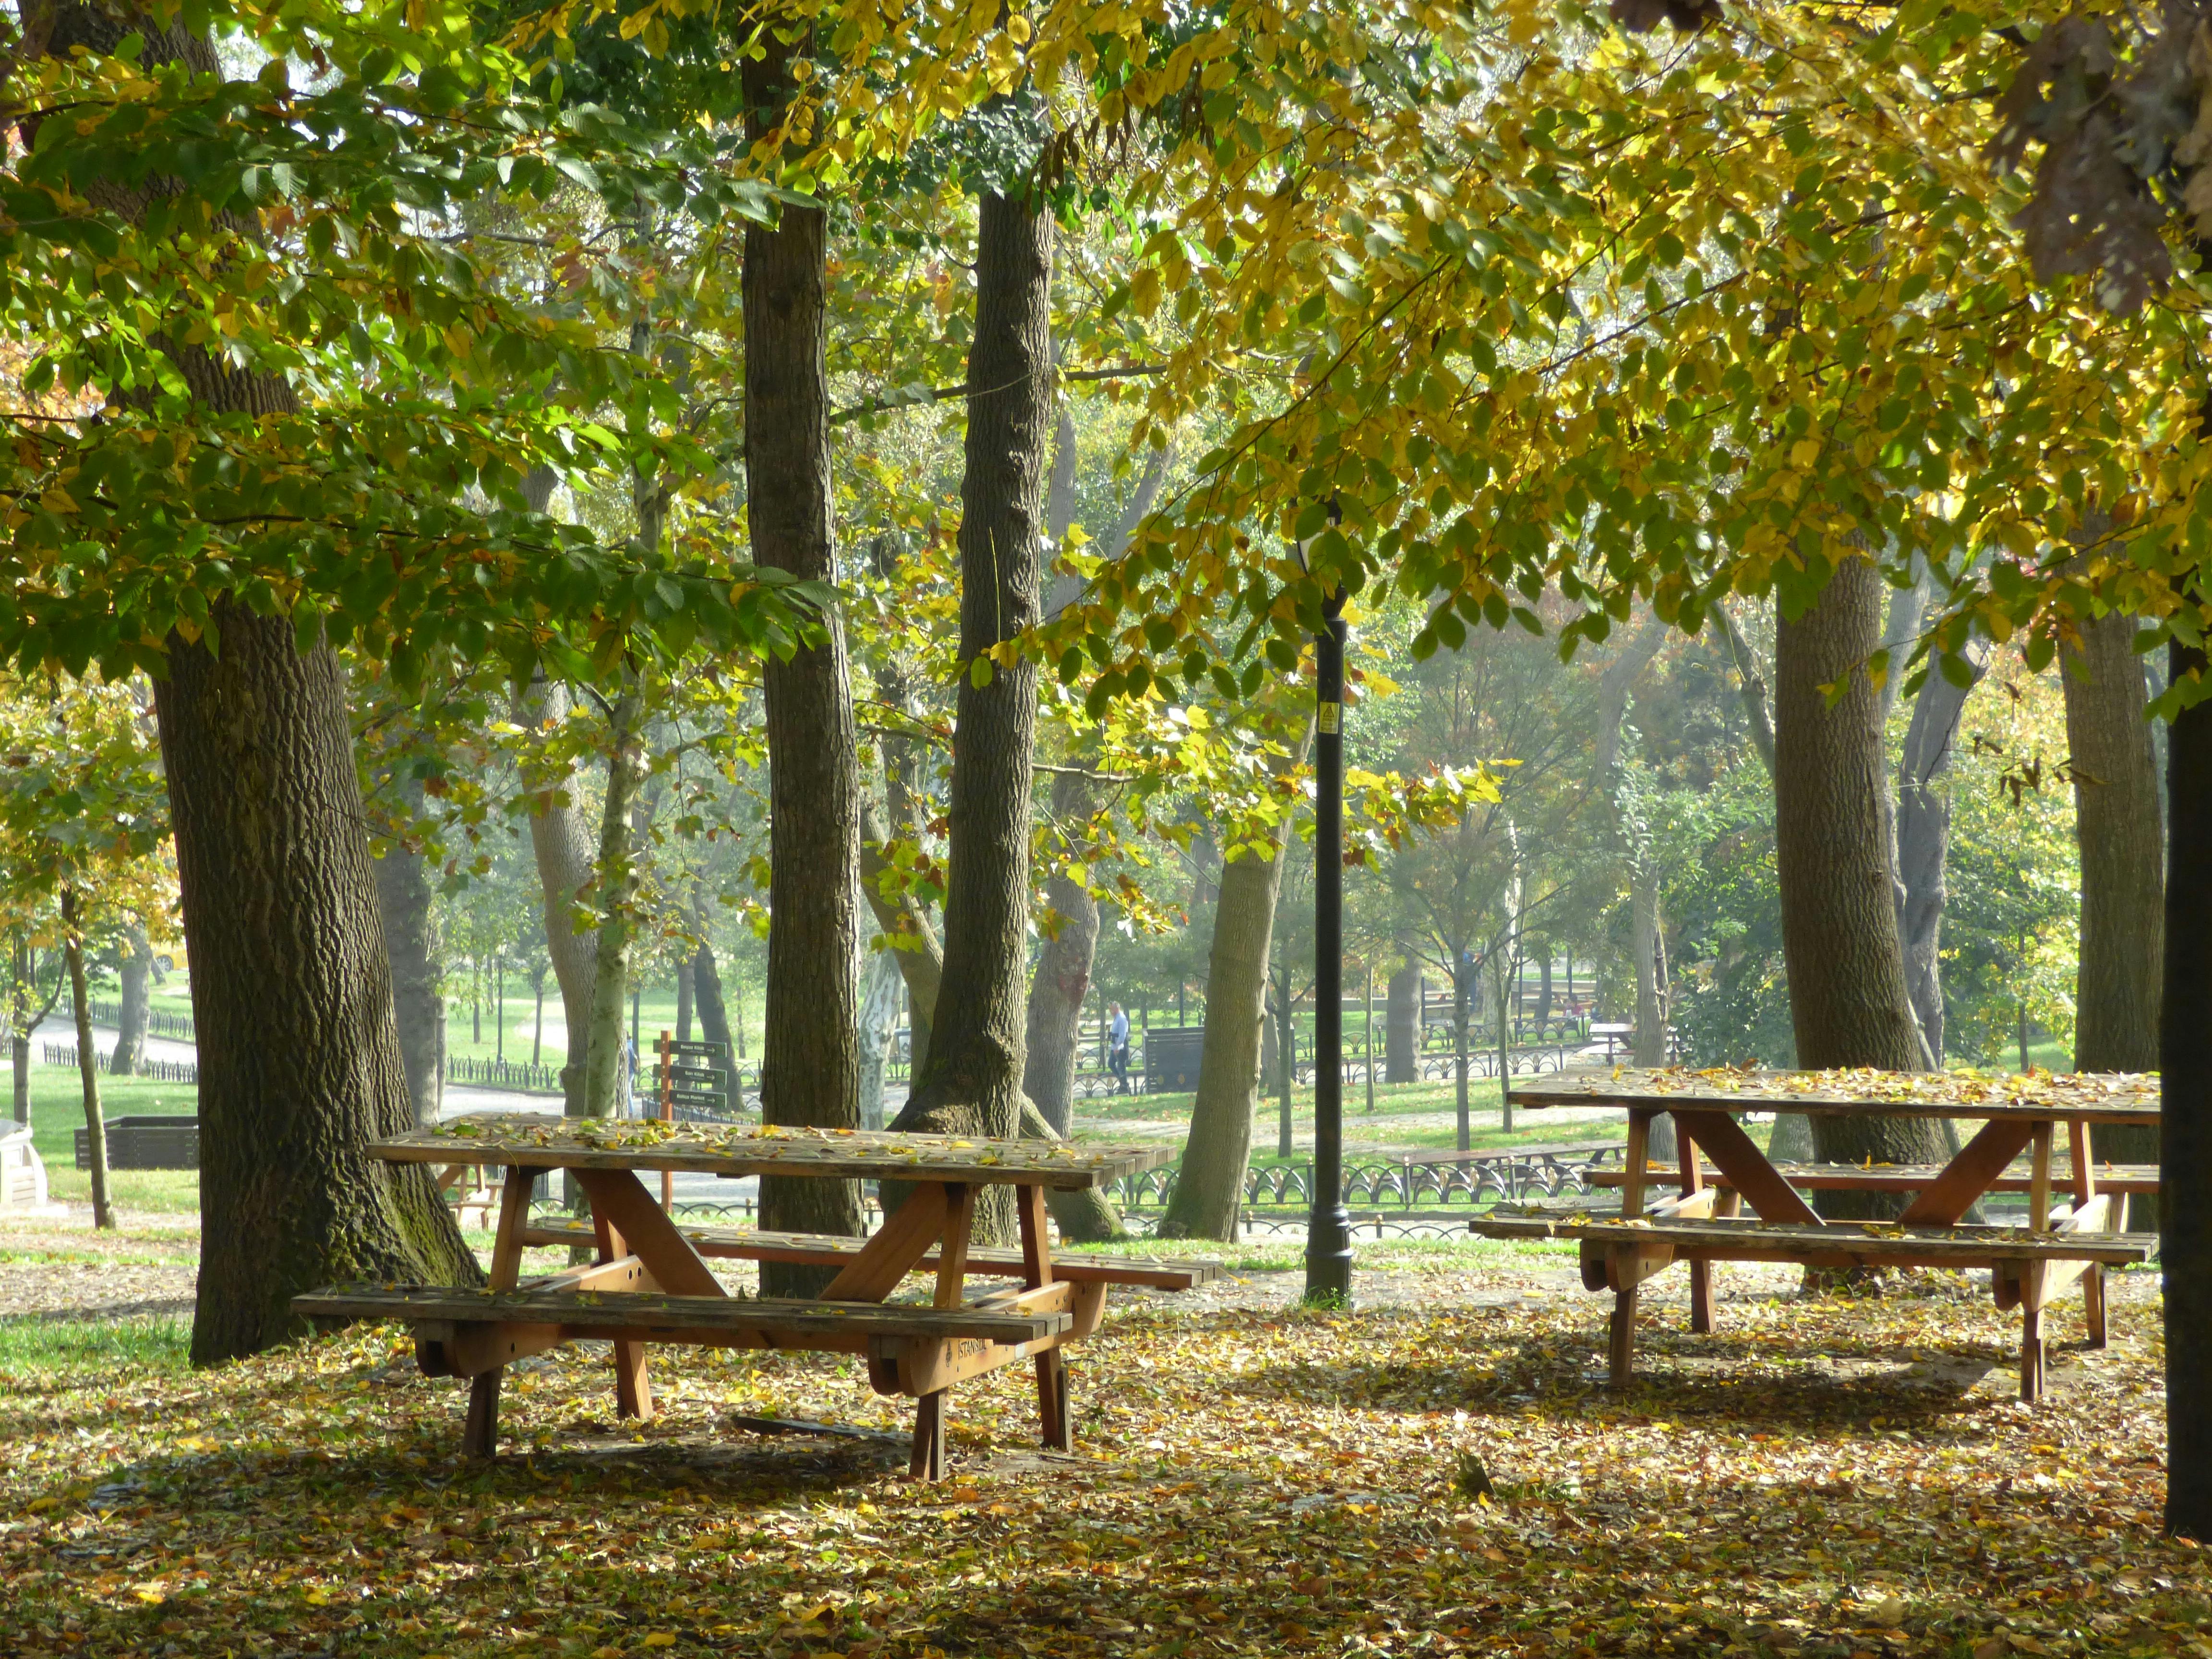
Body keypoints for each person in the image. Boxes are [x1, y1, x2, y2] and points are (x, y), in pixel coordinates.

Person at [1108, 1002, 1132, 1095]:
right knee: (1111, 1064)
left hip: (1120, 1047)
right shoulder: (1117, 1018)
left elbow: (1122, 1035)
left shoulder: (1121, 1019)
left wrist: (1118, 1046)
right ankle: (1123, 1083)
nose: (1111, 1012)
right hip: (1115, 1046)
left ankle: (1124, 1086)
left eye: (1112, 1010)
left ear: (1117, 1008)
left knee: (1121, 1066)